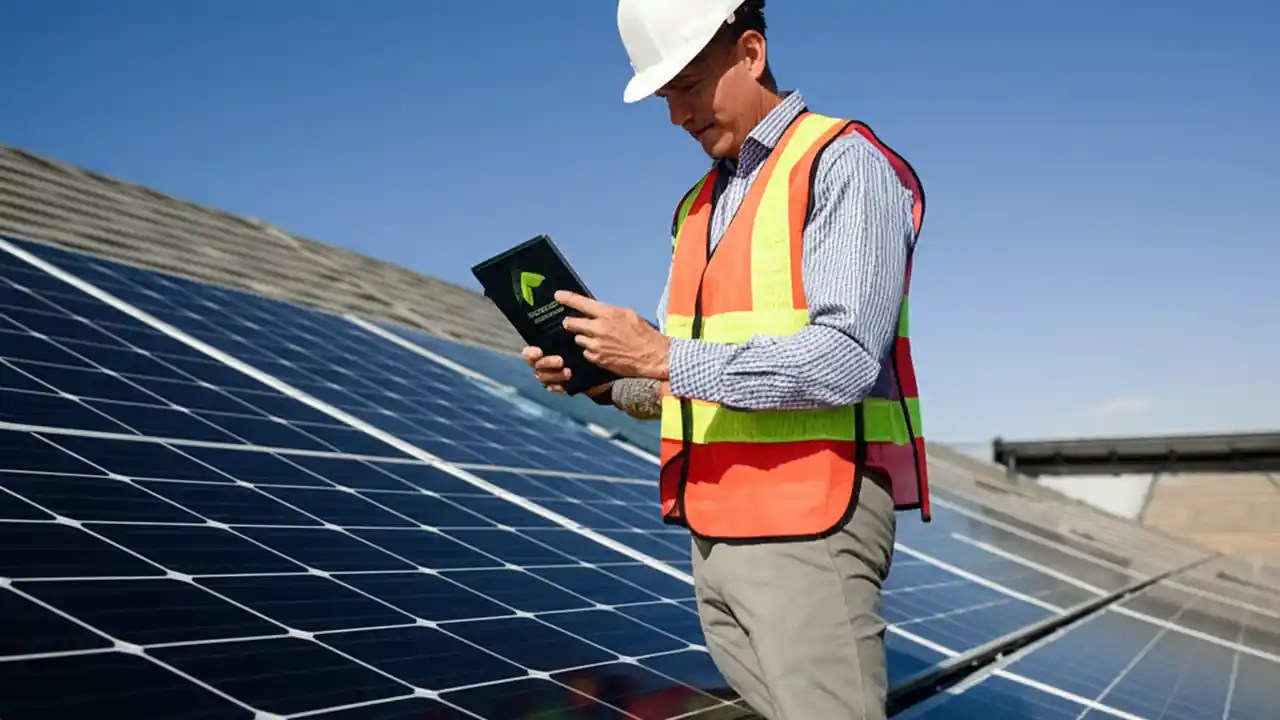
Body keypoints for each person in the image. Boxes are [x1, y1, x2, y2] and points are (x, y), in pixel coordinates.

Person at [522, 1, 932, 718]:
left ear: (750, 52)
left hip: (810, 519)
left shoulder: (842, 162)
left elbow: (843, 359)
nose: (676, 115)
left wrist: (658, 354)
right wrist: (604, 378)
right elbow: (678, 378)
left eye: (686, 86)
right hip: (715, 529)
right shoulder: (696, 208)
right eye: (664, 96)